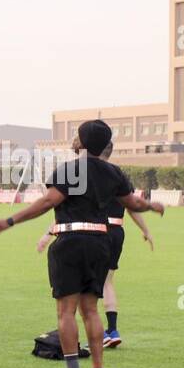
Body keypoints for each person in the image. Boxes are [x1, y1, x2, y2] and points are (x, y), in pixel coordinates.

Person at [0, 119, 164, 368]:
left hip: (70, 243)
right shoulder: (114, 172)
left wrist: (9, 221)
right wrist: (154, 206)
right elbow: (134, 203)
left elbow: (47, 203)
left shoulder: (70, 170)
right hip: (100, 244)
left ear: (81, 142)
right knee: (91, 310)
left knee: (65, 312)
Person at [36, 142, 153, 348]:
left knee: (82, 293)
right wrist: (146, 230)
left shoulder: (86, 177)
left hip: (95, 232)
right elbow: (132, 207)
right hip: (117, 232)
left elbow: (72, 212)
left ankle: (90, 334)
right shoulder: (117, 176)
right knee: (107, 282)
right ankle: (112, 329)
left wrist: (47, 234)